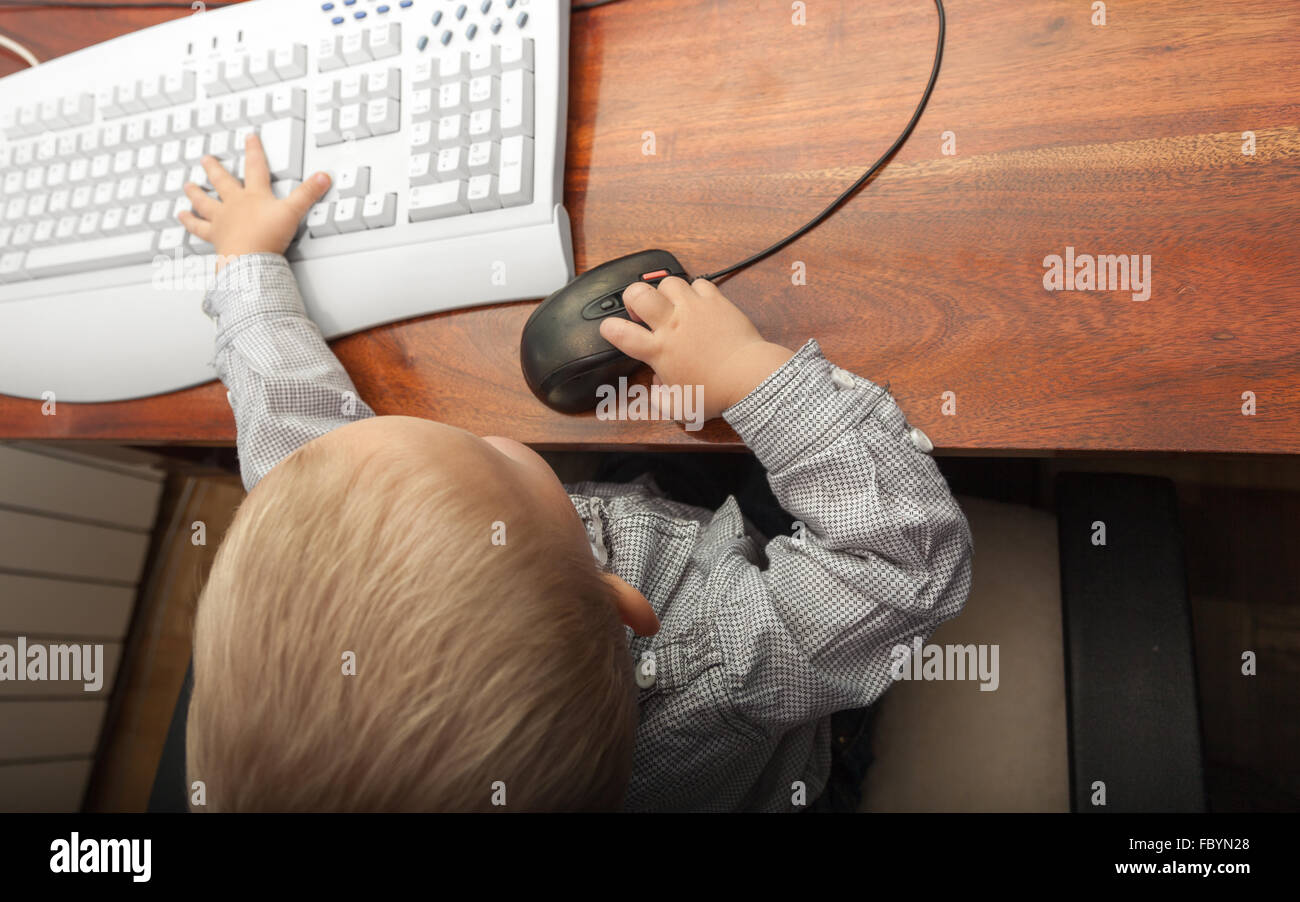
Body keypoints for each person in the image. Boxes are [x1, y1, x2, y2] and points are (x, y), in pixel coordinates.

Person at [181, 136, 973, 812]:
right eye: (485, 452)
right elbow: (898, 566)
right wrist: (750, 373)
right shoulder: (721, 666)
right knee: (862, 431)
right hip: (782, 724)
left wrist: (246, 263)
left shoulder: (311, 518)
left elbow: (288, 417)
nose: (481, 432)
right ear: (621, 600)